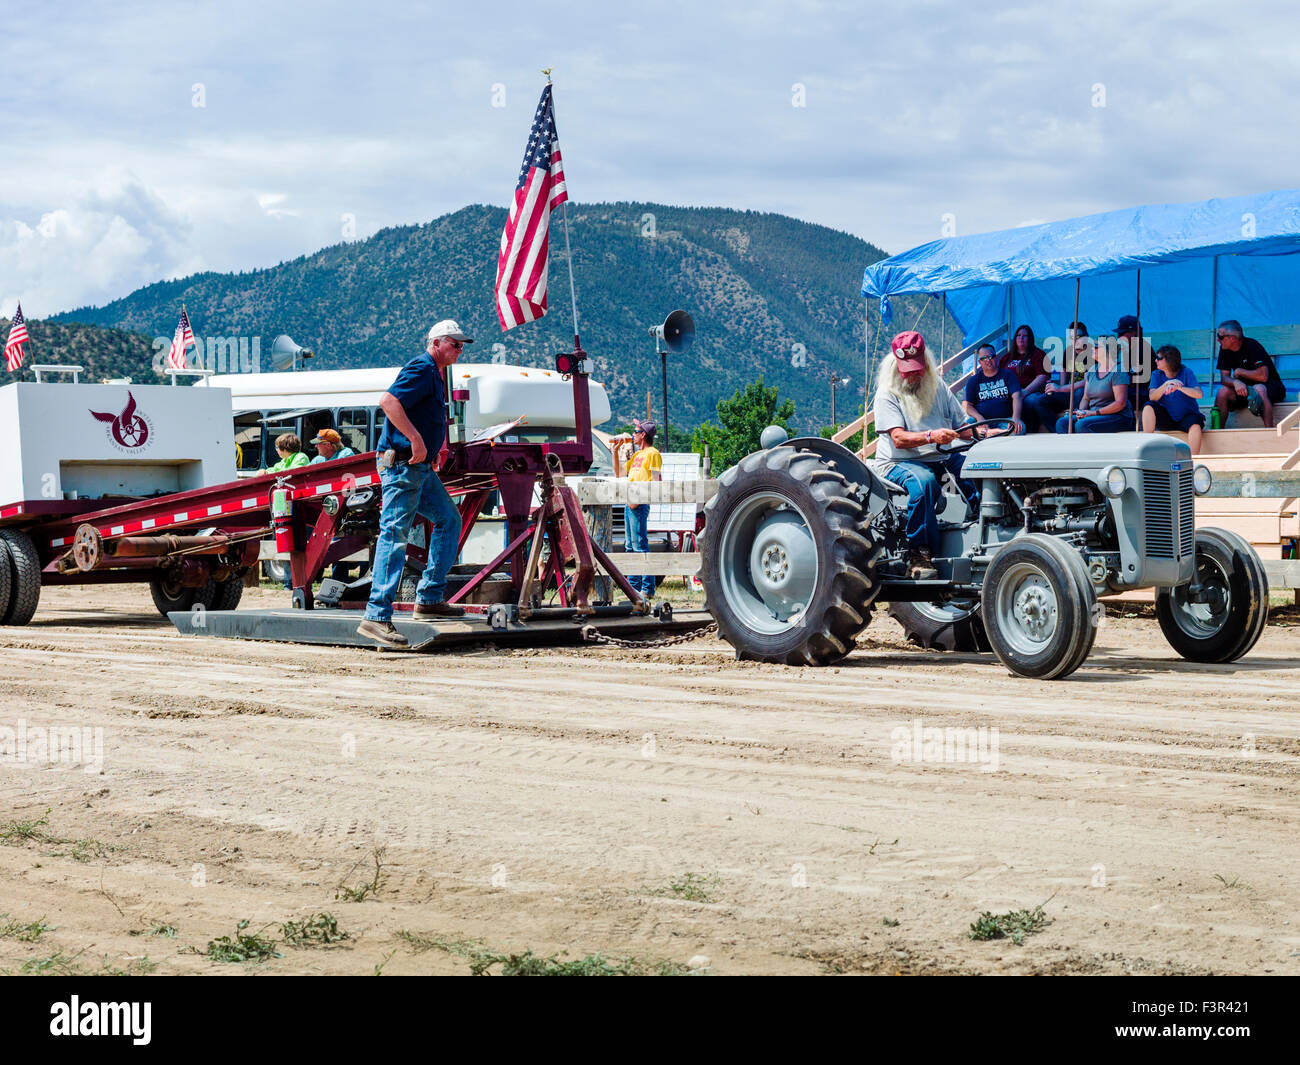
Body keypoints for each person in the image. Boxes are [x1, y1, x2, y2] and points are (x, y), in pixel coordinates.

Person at [358, 319, 472, 648]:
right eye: (455, 343)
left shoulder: (435, 373)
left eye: (462, 345)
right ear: (436, 342)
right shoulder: (422, 367)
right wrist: (417, 440)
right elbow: (388, 402)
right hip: (403, 465)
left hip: (418, 466)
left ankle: (429, 598)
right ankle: (376, 616)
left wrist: (430, 450)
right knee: (394, 534)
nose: (459, 349)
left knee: (449, 519)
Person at [873, 330, 977, 579]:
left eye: (916, 368)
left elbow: (963, 426)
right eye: (906, 369)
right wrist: (932, 436)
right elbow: (898, 438)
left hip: (938, 455)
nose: (911, 374)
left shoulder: (937, 386)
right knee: (924, 483)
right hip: (899, 461)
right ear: (895, 365)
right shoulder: (887, 393)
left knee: (978, 468)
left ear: (926, 363)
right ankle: (919, 553)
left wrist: (983, 431)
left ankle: (987, 525)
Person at [1214, 319, 1286, 428]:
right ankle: (1217, 432)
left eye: (1220, 337)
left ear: (1232, 338)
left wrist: (1240, 372)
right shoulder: (1224, 349)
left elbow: (1263, 376)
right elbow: (1224, 378)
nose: (1218, 340)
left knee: (1259, 388)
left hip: (1271, 387)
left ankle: (1269, 432)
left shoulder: (1252, 346)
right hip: (1246, 390)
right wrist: (1235, 382)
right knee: (1222, 392)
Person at [1055, 336, 1132, 434]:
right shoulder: (1092, 370)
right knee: (1062, 423)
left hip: (1117, 416)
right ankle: (1073, 449)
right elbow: (1085, 398)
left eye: (1096, 346)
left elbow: (1120, 403)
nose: (1091, 348)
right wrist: (1081, 412)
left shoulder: (1118, 370)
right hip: (1094, 414)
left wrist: (1093, 413)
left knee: (1082, 425)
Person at [624, 419, 663, 599]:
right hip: (629, 502)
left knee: (640, 545)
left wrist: (638, 500)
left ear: (643, 435)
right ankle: (633, 587)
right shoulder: (637, 455)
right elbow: (620, 473)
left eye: (636, 431)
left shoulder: (653, 453)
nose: (633, 434)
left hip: (638, 504)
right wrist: (617, 453)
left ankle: (647, 588)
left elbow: (656, 481)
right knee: (630, 547)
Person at [1025, 321, 1088, 432]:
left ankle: (1073, 425)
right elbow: (1064, 370)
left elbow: (1088, 381)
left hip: (1085, 393)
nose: (1076, 340)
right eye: (1073, 337)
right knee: (1038, 401)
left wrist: (1061, 388)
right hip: (1069, 391)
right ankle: (1058, 429)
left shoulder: (1092, 351)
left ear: (1086, 337)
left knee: (1080, 391)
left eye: (1079, 336)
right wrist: (1060, 389)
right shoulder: (1069, 351)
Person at [1142, 345, 1205, 454]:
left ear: (1169, 360)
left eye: (1159, 358)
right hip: (1166, 419)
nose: (1155, 360)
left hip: (1186, 417)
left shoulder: (1186, 372)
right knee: (1148, 406)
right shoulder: (1156, 374)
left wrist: (1179, 387)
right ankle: (1147, 448)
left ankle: (1194, 459)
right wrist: (1166, 384)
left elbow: (1199, 394)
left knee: (1195, 424)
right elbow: (1152, 397)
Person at [963, 344, 1023, 434]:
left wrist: (1016, 418)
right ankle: (991, 434)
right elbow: (966, 405)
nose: (988, 360)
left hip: (1006, 420)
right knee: (964, 429)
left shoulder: (1009, 375)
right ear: (980, 362)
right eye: (984, 358)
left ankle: (991, 434)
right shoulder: (973, 380)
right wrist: (979, 417)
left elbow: (1017, 397)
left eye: (991, 356)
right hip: (983, 421)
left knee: (1018, 429)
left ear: (996, 357)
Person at [999, 324, 1049, 429]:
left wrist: (1025, 392)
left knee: (1030, 401)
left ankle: (1030, 429)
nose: (1021, 338)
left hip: (1030, 391)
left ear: (1030, 338)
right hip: (1009, 392)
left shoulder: (1039, 354)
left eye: (1024, 336)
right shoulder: (1006, 357)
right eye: (1018, 335)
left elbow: (1043, 377)